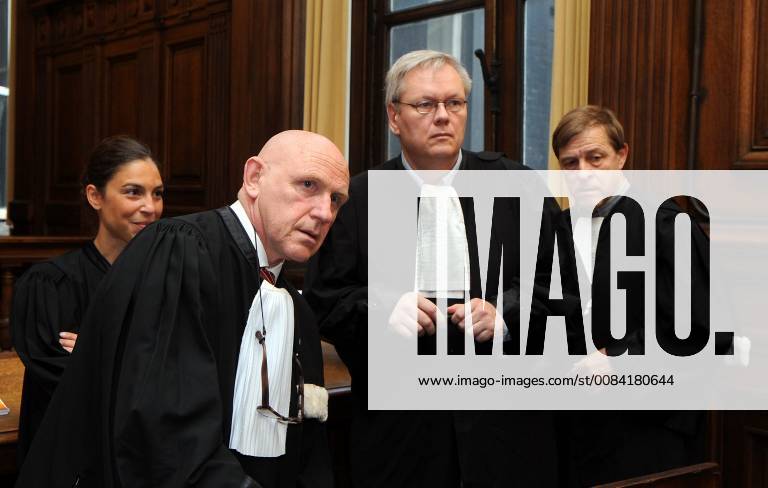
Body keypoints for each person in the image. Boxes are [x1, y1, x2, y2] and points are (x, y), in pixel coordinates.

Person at [15, 130, 349, 488]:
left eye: (336, 200)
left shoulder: (296, 308)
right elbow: (168, 436)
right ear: (254, 178)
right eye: (308, 185)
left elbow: (307, 449)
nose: (324, 212)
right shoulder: (181, 251)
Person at [304, 50, 559, 487]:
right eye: (425, 105)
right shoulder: (357, 200)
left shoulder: (519, 185)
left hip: (507, 425)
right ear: (394, 117)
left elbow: (560, 284)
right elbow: (326, 301)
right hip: (400, 432)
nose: (443, 116)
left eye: (454, 103)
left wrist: (505, 312)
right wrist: (385, 308)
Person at [552, 105, 707, 486]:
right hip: (575, 416)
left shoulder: (666, 223)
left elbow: (696, 326)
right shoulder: (558, 226)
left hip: (647, 419)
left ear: (622, 155)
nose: (583, 173)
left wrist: (620, 361)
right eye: (570, 163)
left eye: (595, 158)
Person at [11, 135, 164, 466]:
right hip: (70, 463)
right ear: (95, 196)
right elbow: (62, 386)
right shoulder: (51, 285)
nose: (150, 207)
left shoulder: (165, 285)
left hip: (142, 462)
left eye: (157, 193)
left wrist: (101, 350)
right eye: (133, 192)